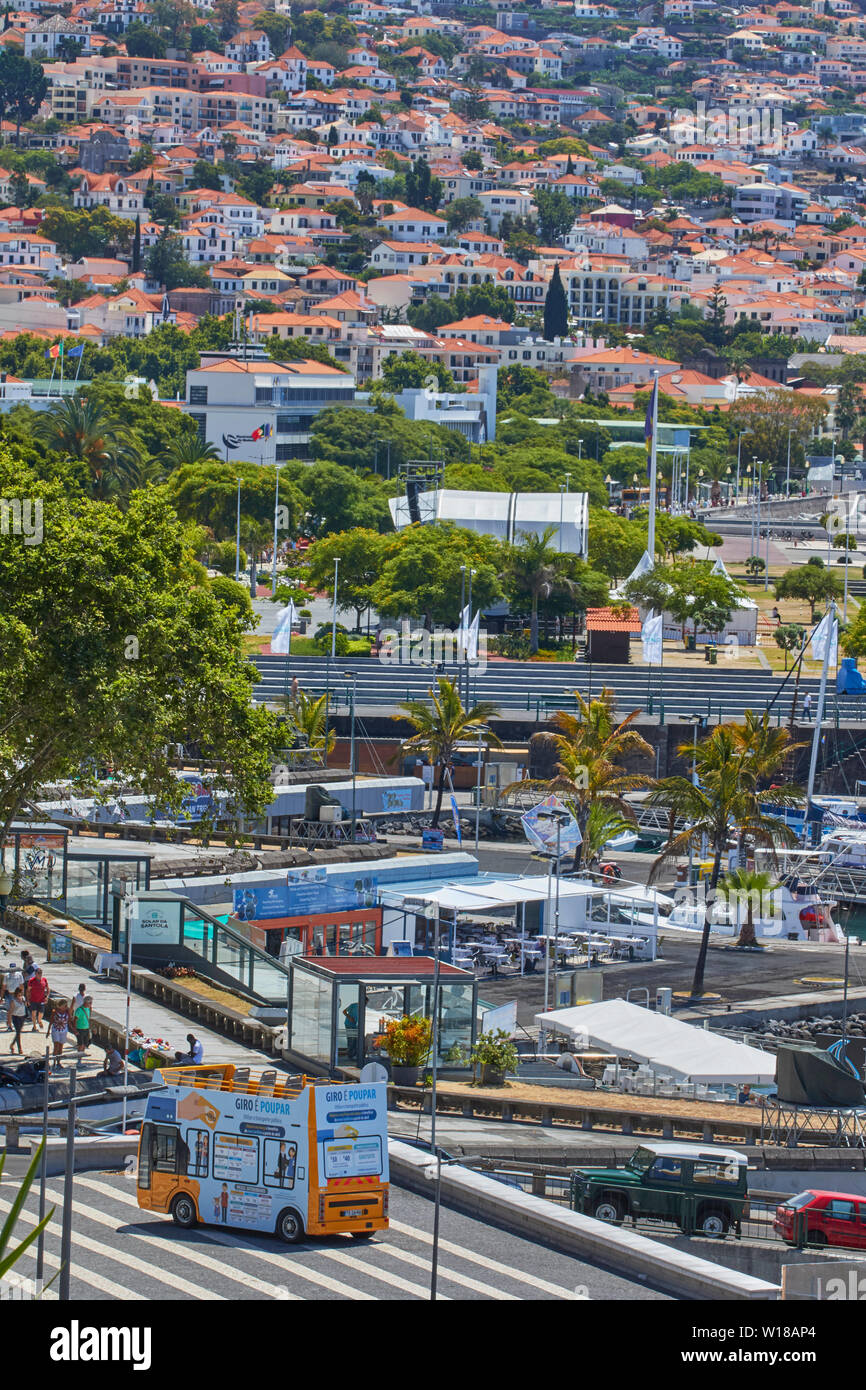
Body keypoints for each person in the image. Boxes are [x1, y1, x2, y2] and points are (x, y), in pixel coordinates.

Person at [49, 999, 70, 1072]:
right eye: (65, 1006)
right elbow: (51, 1021)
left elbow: (69, 1021)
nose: (66, 1007)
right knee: (56, 1046)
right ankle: (54, 1062)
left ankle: (58, 1062)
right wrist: (48, 1031)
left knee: (61, 1047)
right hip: (56, 1030)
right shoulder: (55, 1012)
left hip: (64, 1030)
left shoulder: (67, 1012)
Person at [27, 967, 49, 1031]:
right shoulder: (31, 981)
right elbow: (28, 991)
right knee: (33, 1013)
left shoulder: (44, 980)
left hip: (41, 1000)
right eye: (38, 973)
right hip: (33, 1000)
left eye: (41, 973)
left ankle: (39, 1021)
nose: (40, 974)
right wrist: (28, 1000)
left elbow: (47, 988)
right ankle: (34, 1026)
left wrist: (47, 996)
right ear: (35, 973)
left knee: (41, 1013)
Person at [4, 962, 24, 1031]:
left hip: (17, 995)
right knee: (9, 1011)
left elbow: (21, 985)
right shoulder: (6, 976)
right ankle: (9, 1026)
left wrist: (21, 995)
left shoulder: (19, 975)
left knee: (17, 1011)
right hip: (9, 995)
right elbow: (4, 987)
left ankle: (17, 1025)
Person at [73, 995, 92, 1059]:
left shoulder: (88, 1009)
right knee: (80, 1045)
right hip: (80, 1029)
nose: (91, 1004)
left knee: (84, 1045)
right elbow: (75, 1020)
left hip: (86, 1029)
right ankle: (79, 1058)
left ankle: (81, 1057)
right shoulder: (79, 1010)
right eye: (90, 1003)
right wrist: (75, 1030)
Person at [8, 986, 26, 1055]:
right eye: (19, 995)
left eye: (21, 994)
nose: (20, 996)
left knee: (18, 1032)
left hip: (22, 1017)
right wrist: (9, 1021)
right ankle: (19, 1048)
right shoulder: (13, 1001)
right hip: (16, 1017)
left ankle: (12, 1044)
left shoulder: (23, 999)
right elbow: (10, 1012)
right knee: (18, 1032)